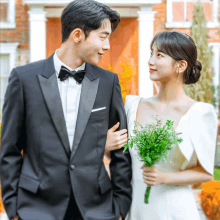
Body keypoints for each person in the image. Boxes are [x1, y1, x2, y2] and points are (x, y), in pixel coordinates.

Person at [0, 1, 132, 220]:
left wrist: (120, 208)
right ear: (78, 34)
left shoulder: (108, 82)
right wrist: (14, 210)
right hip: (36, 209)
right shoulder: (23, 79)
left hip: (97, 209)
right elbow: (10, 150)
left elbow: (121, 151)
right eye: (103, 36)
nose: (108, 45)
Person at [104, 30, 217, 219]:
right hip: (136, 209)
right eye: (151, 53)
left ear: (180, 66)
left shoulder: (199, 113)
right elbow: (116, 159)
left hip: (176, 210)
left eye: (159, 55)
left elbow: (205, 172)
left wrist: (165, 178)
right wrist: (105, 146)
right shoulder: (133, 106)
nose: (150, 61)